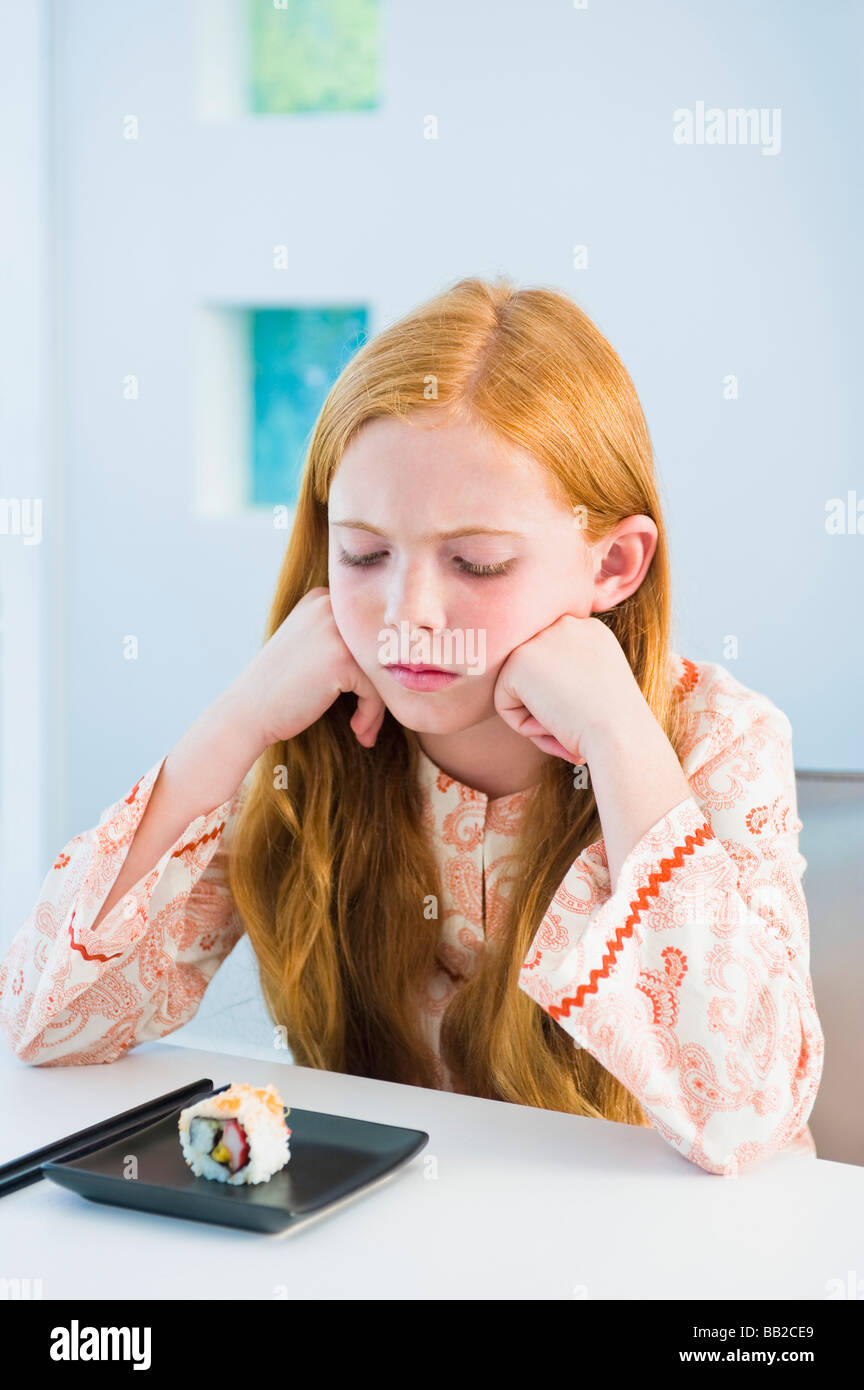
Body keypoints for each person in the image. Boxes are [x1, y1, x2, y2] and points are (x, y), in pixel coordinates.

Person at [0, 276, 824, 1177]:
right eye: (363, 554)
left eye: (477, 562)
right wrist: (235, 721)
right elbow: (47, 1021)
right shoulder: (304, 730)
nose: (408, 614)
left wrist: (621, 739)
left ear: (614, 564)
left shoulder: (719, 739)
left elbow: (747, 1118)